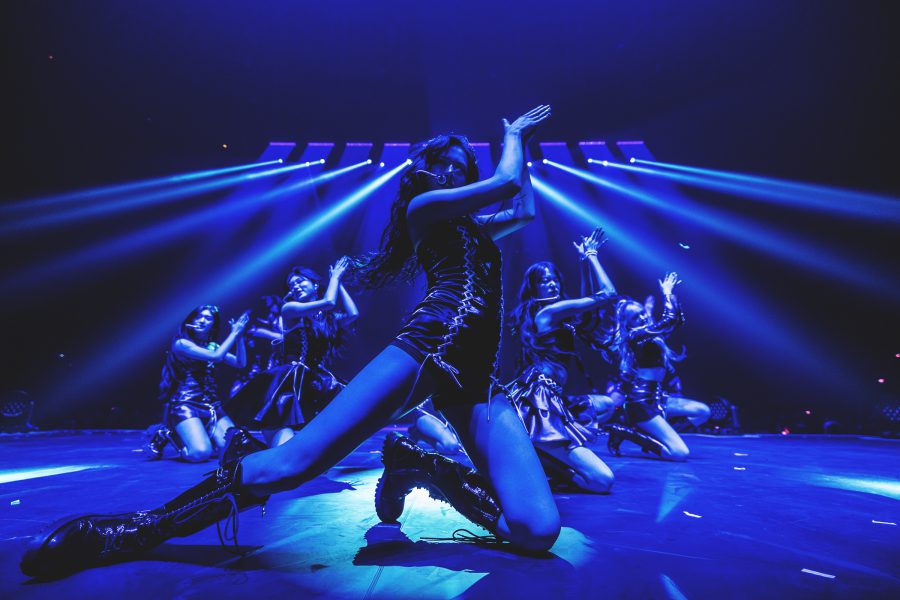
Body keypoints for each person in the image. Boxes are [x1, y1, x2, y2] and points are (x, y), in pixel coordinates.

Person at [22, 105, 559, 579]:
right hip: (427, 348)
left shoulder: (477, 228)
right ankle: (134, 531)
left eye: (462, 168)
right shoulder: (426, 210)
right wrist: (512, 137)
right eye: (444, 165)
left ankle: (423, 466)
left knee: (536, 531)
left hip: (477, 378)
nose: (453, 173)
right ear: (423, 170)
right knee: (291, 465)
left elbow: (524, 209)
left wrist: (524, 153)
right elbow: (505, 183)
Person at [507, 229, 617, 493]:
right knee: (602, 481)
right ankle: (541, 457)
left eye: (555, 279)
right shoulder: (550, 311)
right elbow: (607, 294)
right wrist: (592, 256)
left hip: (551, 396)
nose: (553, 284)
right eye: (545, 281)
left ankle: (542, 455)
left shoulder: (548, 312)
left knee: (606, 404)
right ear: (534, 287)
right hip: (541, 401)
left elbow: (585, 310)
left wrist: (582, 265)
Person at [248, 260, 359, 447]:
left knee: (328, 439)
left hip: (317, 379)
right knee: (288, 449)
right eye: (292, 286)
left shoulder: (325, 317)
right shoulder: (289, 309)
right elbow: (329, 302)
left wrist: (338, 283)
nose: (295, 287)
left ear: (315, 284)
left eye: (300, 281)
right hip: (291, 381)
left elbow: (353, 314)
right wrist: (334, 277)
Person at [144, 305, 249, 461]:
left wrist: (239, 337)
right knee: (200, 453)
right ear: (191, 320)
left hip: (211, 405)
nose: (201, 321)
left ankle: (205, 437)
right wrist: (233, 333)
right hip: (186, 404)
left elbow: (240, 363)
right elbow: (216, 357)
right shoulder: (182, 343)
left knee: (235, 449)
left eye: (207, 318)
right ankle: (167, 433)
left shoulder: (212, 346)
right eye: (198, 317)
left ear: (213, 325)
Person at [605, 273, 692, 460]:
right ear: (628, 323)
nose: (643, 317)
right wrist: (667, 292)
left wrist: (672, 295)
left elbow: (676, 321)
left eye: (642, 313)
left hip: (655, 396)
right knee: (680, 453)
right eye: (636, 317)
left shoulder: (649, 334)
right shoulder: (635, 336)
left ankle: (630, 431)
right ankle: (623, 431)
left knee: (676, 450)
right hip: (641, 400)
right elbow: (669, 320)